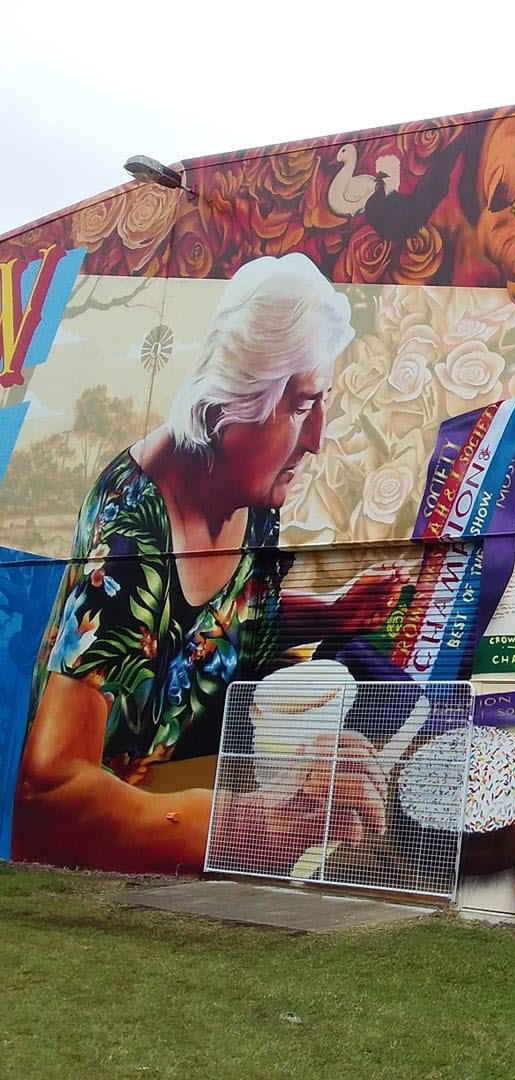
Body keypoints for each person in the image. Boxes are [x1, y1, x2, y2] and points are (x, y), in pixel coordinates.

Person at [13, 253, 401, 875]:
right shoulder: (132, 537)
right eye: (302, 406)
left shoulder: (251, 495)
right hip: (107, 859)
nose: (317, 437)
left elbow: (224, 631)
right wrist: (257, 825)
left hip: (185, 795)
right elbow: (49, 793)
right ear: (228, 408)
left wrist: (331, 615)